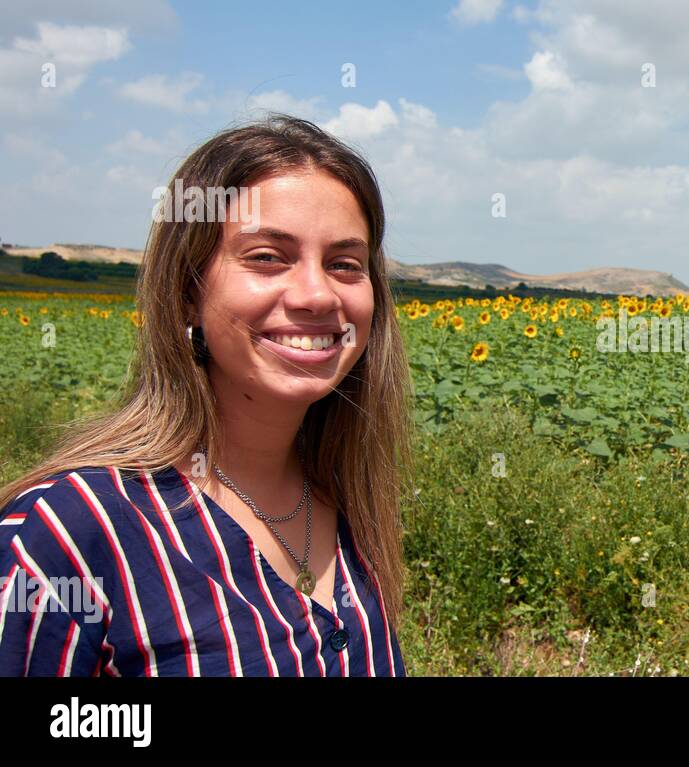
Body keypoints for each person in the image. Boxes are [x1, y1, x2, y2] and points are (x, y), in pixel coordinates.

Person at [0, 115, 412, 676]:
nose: (317, 294)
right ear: (187, 292)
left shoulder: (350, 507)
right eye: (267, 256)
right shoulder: (69, 534)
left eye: (345, 264)